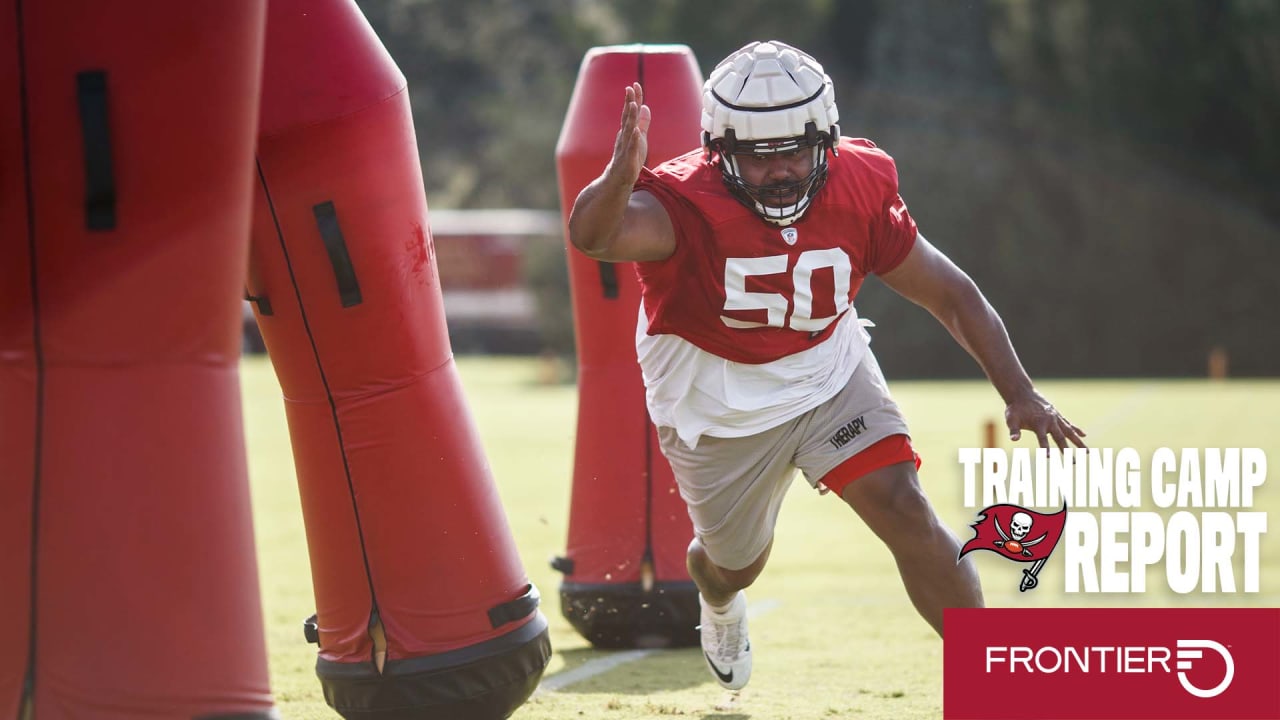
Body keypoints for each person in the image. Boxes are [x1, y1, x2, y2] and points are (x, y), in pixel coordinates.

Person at [567, 40, 1087, 691]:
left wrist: (1020, 392)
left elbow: (952, 294)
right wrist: (620, 174)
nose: (781, 169)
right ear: (720, 152)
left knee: (904, 507)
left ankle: (993, 682)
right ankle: (721, 603)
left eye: (796, 149)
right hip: (717, 400)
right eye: (758, 156)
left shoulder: (858, 185)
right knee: (733, 566)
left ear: (827, 140)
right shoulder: (682, 203)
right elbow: (594, 236)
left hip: (827, 373)